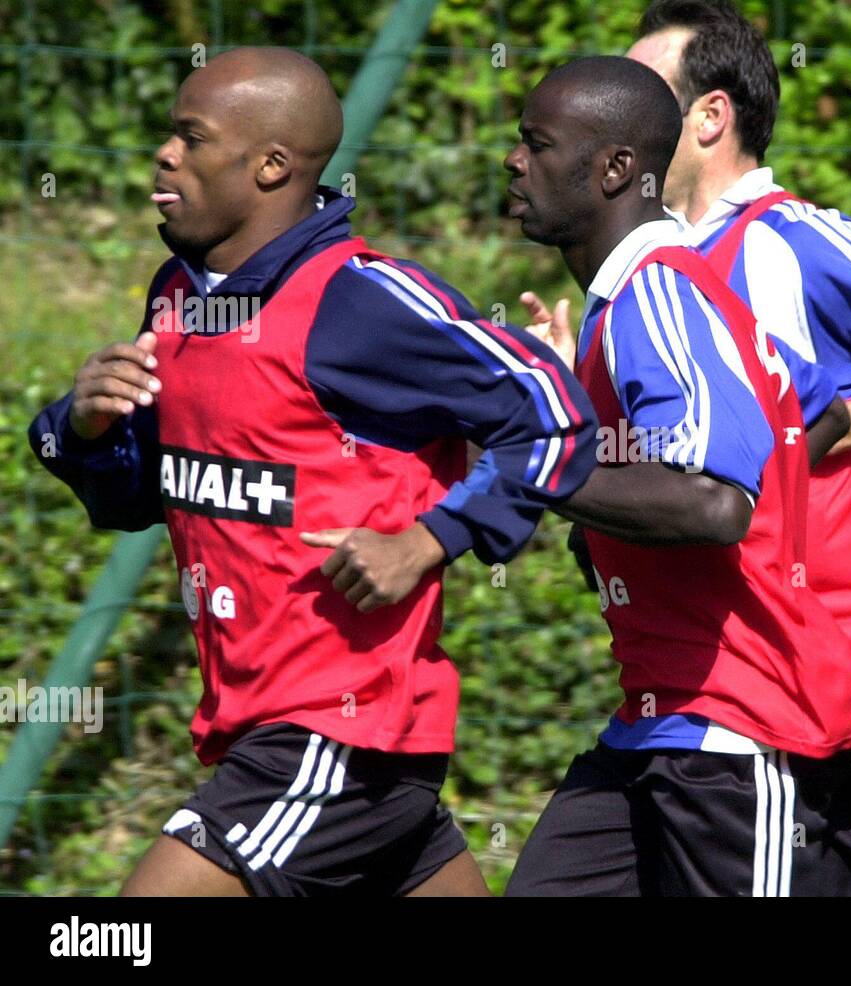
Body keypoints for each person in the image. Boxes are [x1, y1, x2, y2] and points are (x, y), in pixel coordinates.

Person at [28, 47, 597, 897]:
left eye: (191, 136)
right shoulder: (181, 296)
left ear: (270, 165)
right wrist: (82, 429)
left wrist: (430, 539)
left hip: (336, 734)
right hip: (280, 733)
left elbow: (552, 412)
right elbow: (144, 494)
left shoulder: (357, 300)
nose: (164, 154)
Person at [617, 0, 851, 895]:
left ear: (709, 116)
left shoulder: (790, 242)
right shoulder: (640, 269)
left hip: (826, 667)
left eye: (643, 95)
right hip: (722, 668)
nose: (616, 117)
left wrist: (829, 428)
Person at [500, 55, 851, 896]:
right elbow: (805, 408)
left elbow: (713, 502)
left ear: (616, 169)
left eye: (537, 143)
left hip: (739, 734)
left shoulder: (658, 294)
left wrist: (534, 462)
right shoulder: (635, 301)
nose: (514, 162)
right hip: (656, 725)